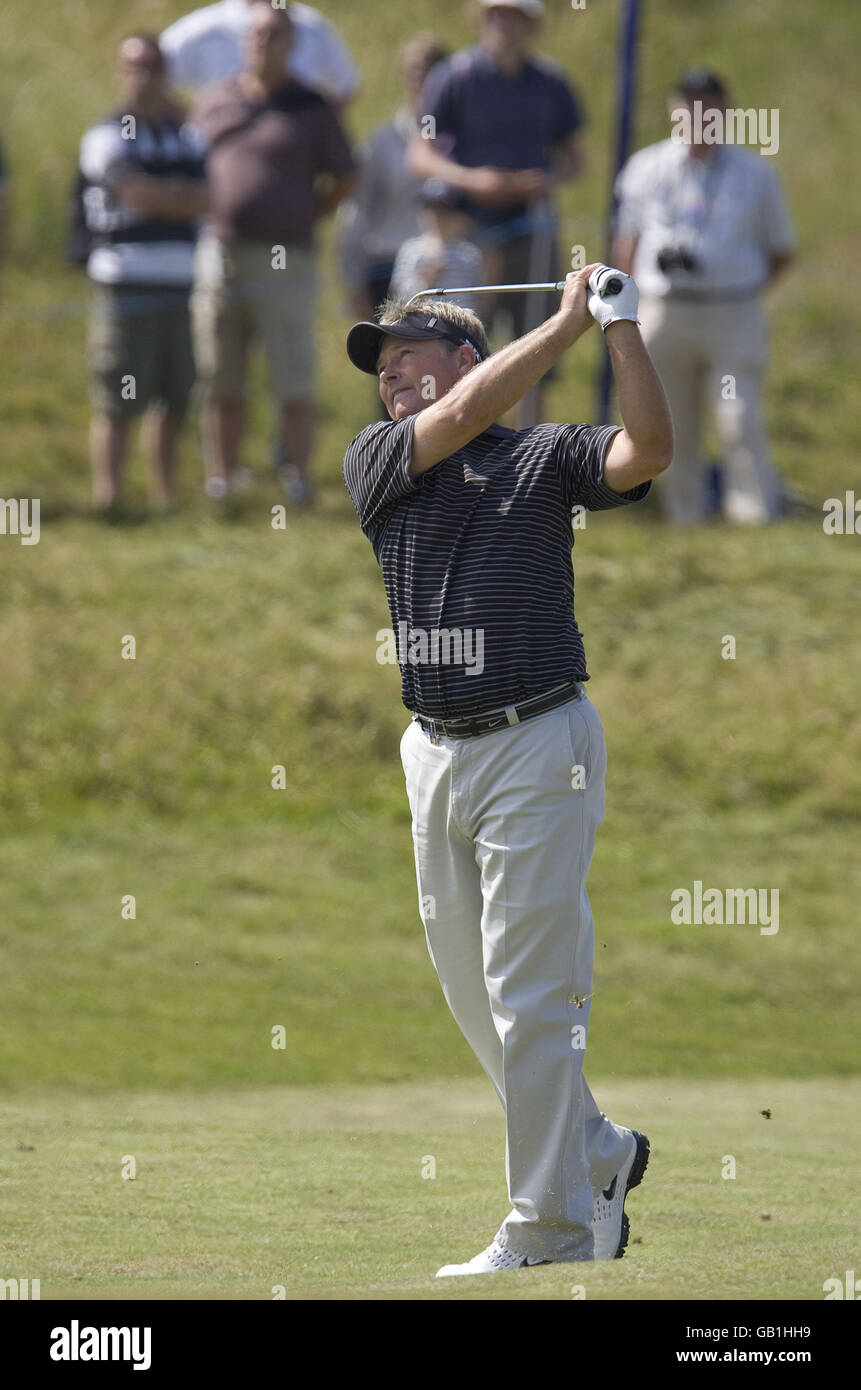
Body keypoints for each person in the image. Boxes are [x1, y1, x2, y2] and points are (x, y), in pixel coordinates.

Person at [342, 264, 672, 1275]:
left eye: (411, 355)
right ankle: (600, 1152)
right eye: (381, 364)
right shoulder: (380, 458)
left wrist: (616, 324)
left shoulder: (545, 455)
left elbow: (649, 447)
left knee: (530, 996)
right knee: (475, 994)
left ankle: (553, 1225)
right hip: (432, 751)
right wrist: (570, 322)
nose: (392, 374)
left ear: (467, 357)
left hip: (538, 742)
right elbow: (467, 412)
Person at [612, 69, 795, 525]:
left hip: (733, 311)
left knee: (738, 417)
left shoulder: (755, 174)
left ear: (725, 111)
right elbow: (626, 245)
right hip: (665, 309)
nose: (697, 115)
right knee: (672, 421)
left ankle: (754, 515)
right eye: (688, 104)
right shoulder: (646, 167)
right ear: (674, 111)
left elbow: (780, 251)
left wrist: (737, 287)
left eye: (707, 105)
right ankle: (684, 516)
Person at [190, 2, 355, 502]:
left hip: (288, 258)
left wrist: (307, 214)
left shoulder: (311, 105)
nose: (263, 42)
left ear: (291, 44)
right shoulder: (216, 99)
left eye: (275, 35)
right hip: (220, 253)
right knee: (220, 370)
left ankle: (298, 477)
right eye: (256, 34)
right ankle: (222, 477)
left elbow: (346, 175)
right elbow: (190, 163)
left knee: (292, 372)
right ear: (244, 41)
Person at [409, 0, 586, 428]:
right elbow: (420, 154)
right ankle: (457, 455)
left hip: (532, 233)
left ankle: (527, 459)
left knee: (536, 350)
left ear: (531, 25)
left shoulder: (550, 83)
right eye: (496, 14)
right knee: (457, 351)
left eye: (514, 16)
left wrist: (548, 179)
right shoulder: (453, 77)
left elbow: (575, 158)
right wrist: (474, 180)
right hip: (468, 235)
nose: (504, 24)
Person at [78, 34, 208, 511]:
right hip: (125, 282)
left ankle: (163, 497)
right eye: (134, 66)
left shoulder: (186, 134)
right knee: (118, 391)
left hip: (184, 282)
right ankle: (109, 498)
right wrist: (177, 196)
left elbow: (212, 195)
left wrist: (165, 194)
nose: (144, 76)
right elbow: (133, 192)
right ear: (120, 71)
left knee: (174, 394)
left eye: (153, 66)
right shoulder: (106, 133)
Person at [337, 33, 448, 323]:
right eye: (415, 70)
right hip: (389, 267)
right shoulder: (382, 141)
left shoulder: (462, 139)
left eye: (432, 70)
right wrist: (353, 281)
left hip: (450, 266)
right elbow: (356, 211)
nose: (422, 79)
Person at [160, 0, 359, 105]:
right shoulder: (204, 29)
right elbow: (152, 70)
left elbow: (344, 87)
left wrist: (315, 135)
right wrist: (191, 124)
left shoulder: (311, 28)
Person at [388, 180, 485, 313]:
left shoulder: (470, 253)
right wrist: (424, 278)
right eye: (431, 211)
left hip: (460, 321)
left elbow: (476, 297)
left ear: (461, 217)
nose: (437, 218)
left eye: (445, 212)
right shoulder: (411, 250)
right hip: (422, 321)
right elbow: (400, 296)